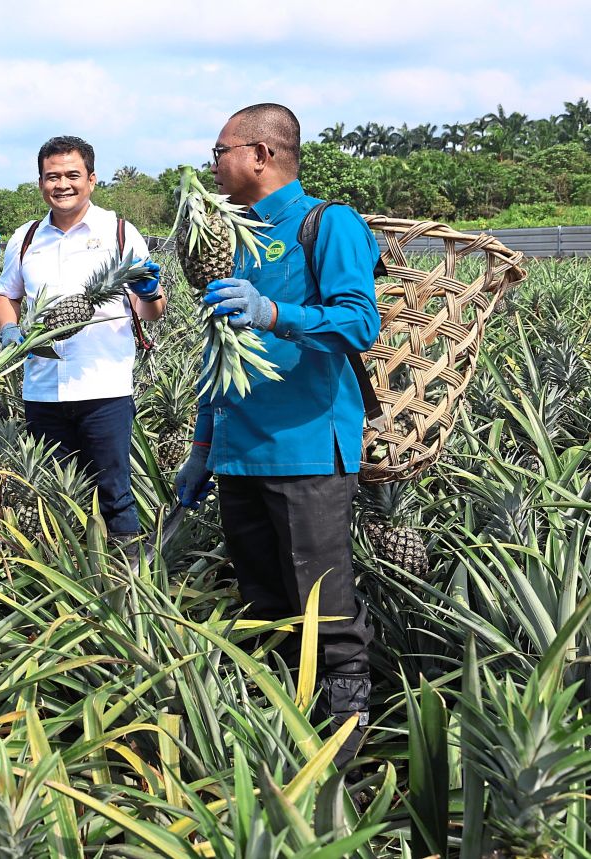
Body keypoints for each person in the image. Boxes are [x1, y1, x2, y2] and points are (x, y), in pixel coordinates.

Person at [172, 104, 381, 770]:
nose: (213, 163)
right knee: (263, 601)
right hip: (239, 449)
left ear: (261, 154)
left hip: (307, 445)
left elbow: (358, 322)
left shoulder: (329, 223)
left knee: (326, 609)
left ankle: (346, 749)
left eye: (220, 149)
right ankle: (279, 728)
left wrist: (274, 312)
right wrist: (204, 445)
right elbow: (220, 349)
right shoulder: (227, 237)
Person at [0, 136, 164, 544]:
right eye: (53, 177)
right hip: (42, 388)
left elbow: (150, 313)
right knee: (52, 491)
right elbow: (6, 295)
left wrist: (152, 293)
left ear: (91, 179)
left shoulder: (119, 232)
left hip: (103, 387)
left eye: (73, 175)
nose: (63, 184)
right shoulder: (26, 238)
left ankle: (127, 585)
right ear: (40, 183)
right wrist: (9, 329)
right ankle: (61, 572)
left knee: (113, 494)